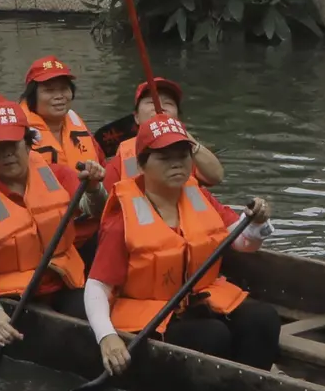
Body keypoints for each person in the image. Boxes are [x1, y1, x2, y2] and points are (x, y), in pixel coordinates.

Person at [86, 113, 278, 371]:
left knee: (263, 319)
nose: (176, 165)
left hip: (198, 300)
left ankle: (253, 390)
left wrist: (257, 223)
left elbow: (244, 243)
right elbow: (98, 286)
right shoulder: (123, 216)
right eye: (164, 158)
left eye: (182, 156)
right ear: (142, 165)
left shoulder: (198, 195)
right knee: (212, 335)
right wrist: (106, 336)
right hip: (152, 313)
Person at [0, 98, 105, 340]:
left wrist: (94, 188)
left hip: (61, 282)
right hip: (14, 296)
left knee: (90, 321)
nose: (7, 155)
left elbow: (96, 210)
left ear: (28, 144)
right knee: (48, 331)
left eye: (13, 145)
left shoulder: (56, 174)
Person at [102, 77, 224, 187]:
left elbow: (215, 177)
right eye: (151, 102)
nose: (159, 107)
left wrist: (180, 133)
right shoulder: (121, 159)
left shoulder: (188, 151)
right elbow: (102, 204)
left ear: (177, 117)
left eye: (168, 103)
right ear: (136, 117)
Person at [19, 55, 101, 174]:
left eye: (63, 89)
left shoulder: (77, 123)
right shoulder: (17, 131)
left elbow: (102, 165)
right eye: (49, 90)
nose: (59, 96)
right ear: (32, 96)